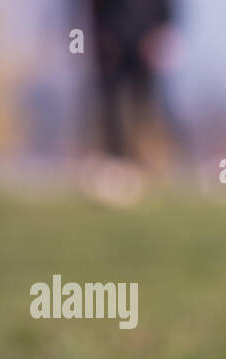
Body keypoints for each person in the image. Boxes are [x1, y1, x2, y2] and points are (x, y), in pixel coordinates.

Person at [81, 0, 175, 206]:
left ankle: (149, 168)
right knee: (110, 105)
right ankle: (115, 166)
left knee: (144, 106)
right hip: (110, 35)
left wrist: (161, 27)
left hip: (144, 34)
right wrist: (100, 32)